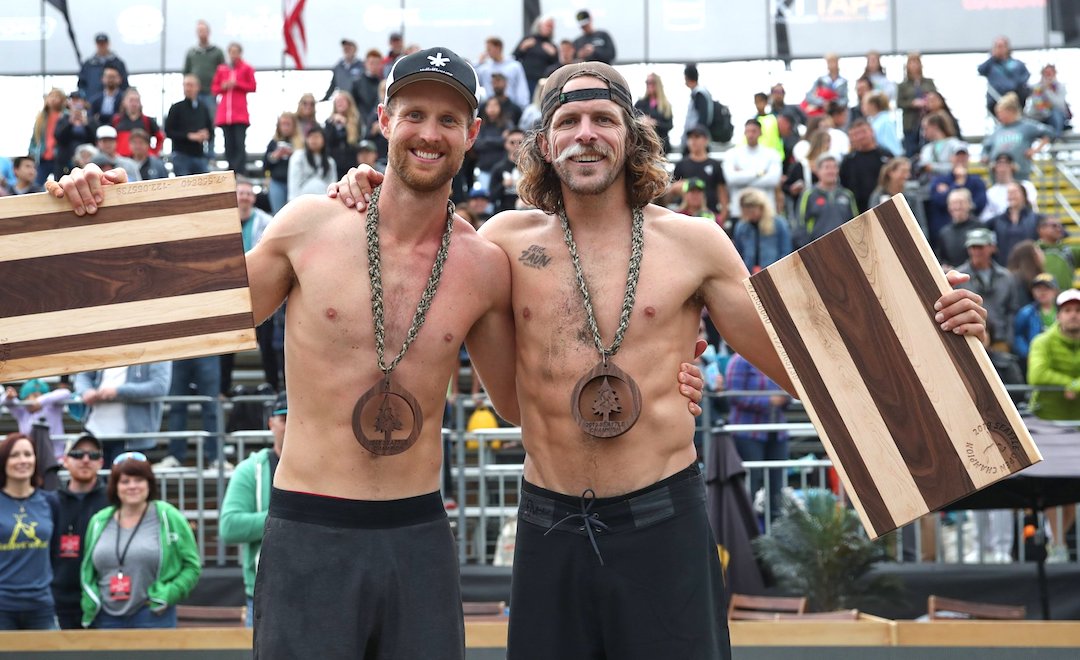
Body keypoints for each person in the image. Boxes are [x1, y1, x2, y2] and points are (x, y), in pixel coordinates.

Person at [80, 452, 200, 628]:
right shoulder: (98, 521)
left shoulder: (169, 516)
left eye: (139, 480)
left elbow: (192, 566)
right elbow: (87, 570)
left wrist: (168, 594)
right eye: (125, 481)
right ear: (115, 486)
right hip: (105, 617)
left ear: (149, 483)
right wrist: (91, 599)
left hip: (153, 615)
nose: (132, 486)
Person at [220, 391, 287, 627]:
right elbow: (229, 527)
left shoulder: (325, 468)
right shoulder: (250, 469)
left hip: (318, 591)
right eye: (284, 418)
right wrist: (287, 519)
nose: (291, 426)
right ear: (271, 423)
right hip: (264, 595)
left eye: (298, 418)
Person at [1026, 288, 1080, 560]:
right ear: (1059, 315)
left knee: (1071, 494)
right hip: (1050, 430)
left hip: (1077, 429)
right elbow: (1036, 374)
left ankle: (1057, 543)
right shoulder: (1042, 341)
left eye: (1078, 310)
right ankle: (1057, 544)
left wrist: (1075, 384)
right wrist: (1066, 383)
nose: (1074, 315)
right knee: (1058, 493)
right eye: (1068, 310)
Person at [0, 433, 58, 630]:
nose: (22, 460)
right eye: (14, 455)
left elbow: (54, 552)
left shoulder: (50, 502)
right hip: (3, 605)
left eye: (28, 454)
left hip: (41, 605)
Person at [50, 433, 108, 629]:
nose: (85, 460)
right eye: (77, 454)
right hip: (58, 601)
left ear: (100, 462)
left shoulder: (113, 502)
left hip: (103, 600)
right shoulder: (50, 502)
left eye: (92, 455)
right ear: (65, 461)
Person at [726, 353, 791, 524]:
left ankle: (776, 533)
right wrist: (769, 401)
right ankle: (746, 534)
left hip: (776, 431)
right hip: (748, 432)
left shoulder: (777, 358)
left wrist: (785, 398)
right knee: (750, 483)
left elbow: (788, 393)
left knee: (777, 485)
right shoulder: (739, 360)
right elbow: (734, 395)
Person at [74, 363, 171, 466]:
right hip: (93, 431)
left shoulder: (154, 349)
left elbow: (159, 386)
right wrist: (85, 391)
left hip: (131, 438)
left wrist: (118, 391)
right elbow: (83, 375)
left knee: (124, 480)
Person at [957, 228, 1020, 353]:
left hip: (1000, 341)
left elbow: (1012, 311)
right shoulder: (959, 277)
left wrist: (1008, 339)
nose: (976, 251)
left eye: (980, 247)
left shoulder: (1006, 277)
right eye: (973, 247)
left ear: (992, 247)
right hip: (970, 339)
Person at [722, 119, 781, 225]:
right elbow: (731, 179)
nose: (750, 135)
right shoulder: (732, 154)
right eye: (748, 131)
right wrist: (759, 173)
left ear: (760, 132)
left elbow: (773, 180)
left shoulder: (772, 154)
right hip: (739, 213)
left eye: (754, 131)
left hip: (766, 212)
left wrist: (742, 177)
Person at [982, 92, 1051, 181]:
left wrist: (1035, 150)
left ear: (1011, 111)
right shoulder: (997, 130)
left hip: (1020, 175)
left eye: (1000, 113)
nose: (999, 117)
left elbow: (1048, 133)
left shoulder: (1026, 126)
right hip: (997, 178)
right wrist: (985, 156)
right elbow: (986, 147)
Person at [927, 144, 987, 243]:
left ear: (968, 158)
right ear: (951, 158)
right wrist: (958, 183)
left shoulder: (977, 181)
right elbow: (939, 201)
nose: (961, 159)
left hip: (971, 233)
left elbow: (979, 204)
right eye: (957, 156)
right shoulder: (940, 180)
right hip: (945, 236)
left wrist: (948, 191)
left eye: (963, 156)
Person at [669, 124, 728, 226]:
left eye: (697, 137)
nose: (693, 141)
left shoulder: (714, 165)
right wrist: (678, 187)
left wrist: (723, 214)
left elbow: (721, 191)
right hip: (685, 216)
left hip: (710, 215)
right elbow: (671, 191)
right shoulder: (681, 164)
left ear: (706, 140)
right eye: (690, 138)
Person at [212, 42, 257, 175]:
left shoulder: (246, 68)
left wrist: (237, 84)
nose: (233, 55)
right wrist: (223, 86)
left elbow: (252, 86)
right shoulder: (222, 69)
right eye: (231, 52)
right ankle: (231, 170)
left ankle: (240, 170)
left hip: (239, 114)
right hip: (225, 114)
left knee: (239, 143)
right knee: (228, 143)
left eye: (236, 52)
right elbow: (214, 88)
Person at [796, 153, 858, 247]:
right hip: (818, 248)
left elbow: (856, 222)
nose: (831, 171)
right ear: (818, 171)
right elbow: (800, 224)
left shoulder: (847, 195)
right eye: (827, 167)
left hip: (845, 246)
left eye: (834, 167)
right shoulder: (809, 195)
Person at [183, 20, 225, 153]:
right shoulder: (191, 53)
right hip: (194, 95)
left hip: (210, 94)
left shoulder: (217, 52)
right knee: (194, 123)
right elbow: (186, 72)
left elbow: (223, 71)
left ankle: (211, 155)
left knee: (210, 123)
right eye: (199, 31)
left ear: (209, 32)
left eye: (204, 30)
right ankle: (197, 152)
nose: (202, 33)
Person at [1, 380, 71, 455]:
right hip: (32, 457)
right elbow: (7, 401)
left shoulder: (52, 408)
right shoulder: (22, 412)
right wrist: (9, 397)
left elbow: (66, 392)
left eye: (36, 396)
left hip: (55, 455)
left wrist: (40, 401)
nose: (31, 400)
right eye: (27, 397)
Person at [732, 187, 792, 273]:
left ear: (762, 207)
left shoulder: (779, 223)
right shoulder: (741, 227)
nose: (749, 213)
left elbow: (786, 252)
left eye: (752, 210)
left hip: (774, 271)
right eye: (746, 210)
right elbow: (738, 254)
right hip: (749, 273)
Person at [839, 118, 893, 213]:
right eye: (856, 134)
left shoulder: (886, 156)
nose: (860, 137)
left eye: (863, 132)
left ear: (871, 131)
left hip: (884, 206)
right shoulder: (848, 160)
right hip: (858, 211)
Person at [165, 75, 214, 176]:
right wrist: (189, 136)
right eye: (186, 85)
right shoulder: (176, 108)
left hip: (199, 155)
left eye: (191, 85)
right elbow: (168, 131)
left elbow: (211, 131)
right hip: (181, 155)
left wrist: (205, 135)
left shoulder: (203, 108)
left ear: (198, 87)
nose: (188, 88)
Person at [869, 156, 926, 237]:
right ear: (891, 172)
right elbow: (873, 222)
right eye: (903, 171)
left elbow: (921, 223)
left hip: (910, 237)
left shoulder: (912, 194)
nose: (907, 176)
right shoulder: (878, 195)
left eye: (908, 171)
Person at [989, 181, 1042, 266]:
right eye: (1009, 193)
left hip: (1029, 265)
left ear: (1024, 195)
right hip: (1004, 266)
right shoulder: (998, 220)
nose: (1011, 195)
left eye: (1014, 192)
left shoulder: (1036, 218)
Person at [977, 36, 1031, 116]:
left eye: (1001, 46)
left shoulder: (1017, 64)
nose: (1000, 49)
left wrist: (1014, 86)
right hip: (996, 99)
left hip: (1015, 98)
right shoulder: (990, 65)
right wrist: (993, 57)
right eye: (997, 46)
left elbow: (1025, 76)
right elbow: (980, 70)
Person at [1014, 273, 1058, 370]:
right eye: (1038, 289)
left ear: (1055, 291)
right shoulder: (1026, 312)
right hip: (1033, 358)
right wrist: (1028, 353)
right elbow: (1018, 335)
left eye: (1046, 289)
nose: (1042, 292)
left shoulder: (1061, 311)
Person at [897, 52, 936, 157]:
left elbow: (936, 97)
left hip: (927, 120)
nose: (914, 65)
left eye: (916, 62)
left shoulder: (929, 82)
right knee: (911, 151)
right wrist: (912, 103)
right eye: (911, 62)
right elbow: (899, 103)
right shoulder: (903, 86)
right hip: (910, 123)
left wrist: (927, 102)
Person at [476, 37, 531, 110]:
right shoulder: (485, 69)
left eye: (489, 49)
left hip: (510, 109)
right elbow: (474, 80)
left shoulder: (514, 67)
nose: (487, 53)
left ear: (498, 48)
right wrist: (478, 63)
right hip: (491, 110)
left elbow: (521, 87)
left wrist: (522, 107)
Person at [263, 112, 303, 214]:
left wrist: (294, 154)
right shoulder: (273, 143)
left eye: (288, 124)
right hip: (277, 182)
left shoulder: (301, 144)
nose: (285, 128)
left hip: (296, 183)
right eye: (282, 124)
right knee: (278, 214)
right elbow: (265, 166)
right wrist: (275, 156)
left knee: (296, 213)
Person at [981, 152, 1038, 222]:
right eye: (999, 164)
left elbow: (1031, 207)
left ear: (1012, 166)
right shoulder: (990, 192)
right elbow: (987, 216)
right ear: (994, 168)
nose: (1002, 168)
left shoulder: (1026, 185)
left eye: (1006, 164)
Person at [935, 188, 984, 270]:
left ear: (969, 205)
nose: (957, 207)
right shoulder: (944, 232)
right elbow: (941, 258)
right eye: (953, 203)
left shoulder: (979, 227)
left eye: (961, 203)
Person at [286, 125, 336, 201]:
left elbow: (332, 184)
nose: (313, 140)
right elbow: (294, 183)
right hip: (302, 201)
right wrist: (293, 202)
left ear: (324, 140)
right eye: (311, 137)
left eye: (317, 137)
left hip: (323, 201)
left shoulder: (330, 162)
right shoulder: (298, 157)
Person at [111, 88, 164, 158]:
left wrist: (154, 153)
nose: (134, 104)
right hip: (121, 158)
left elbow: (160, 137)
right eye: (131, 100)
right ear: (124, 102)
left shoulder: (147, 120)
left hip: (142, 159)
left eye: (137, 101)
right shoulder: (116, 120)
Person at [513, 15, 558, 97]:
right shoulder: (528, 40)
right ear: (539, 26)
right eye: (547, 26)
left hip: (543, 81)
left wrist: (554, 55)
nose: (549, 29)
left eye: (551, 27)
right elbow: (514, 57)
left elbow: (558, 64)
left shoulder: (552, 46)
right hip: (526, 80)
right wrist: (522, 48)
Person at [29, 88, 67, 184]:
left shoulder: (66, 116)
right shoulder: (41, 117)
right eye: (51, 96)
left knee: (61, 183)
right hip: (43, 157)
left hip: (59, 157)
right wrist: (32, 153)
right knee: (37, 184)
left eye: (57, 97)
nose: (53, 99)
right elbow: (34, 139)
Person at [324, 90, 362, 180]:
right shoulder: (329, 123)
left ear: (349, 103)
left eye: (342, 100)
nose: (339, 103)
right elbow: (327, 142)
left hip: (351, 164)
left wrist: (345, 125)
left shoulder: (356, 121)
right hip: (334, 165)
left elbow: (356, 142)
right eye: (337, 101)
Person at [1035, 215, 1080, 291]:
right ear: (1041, 229)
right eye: (1054, 226)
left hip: (1065, 300)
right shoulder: (1032, 251)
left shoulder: (1070, 251)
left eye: (1061, 226)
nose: (1059, 229)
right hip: (1041, 300)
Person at [78, 33, 128, 101]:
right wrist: (84, 98)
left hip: (116, 103)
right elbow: (81, 84)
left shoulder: (119, 63)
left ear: (108, 44)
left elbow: (125, 84)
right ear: (96, 44)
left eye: (104, 43)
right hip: (92, 102)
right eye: (99, 43)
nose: (102, 46)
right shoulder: (88, 64)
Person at [1026, 64, 1070, 139]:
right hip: (1039, 116)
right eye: (1046, 73)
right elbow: (1037, 105)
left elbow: (1059, 105)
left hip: (1055, 117)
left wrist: (1047, 90)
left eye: (1050, 73)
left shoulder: (1060, 87)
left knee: (1056, 112)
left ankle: (1056, 137)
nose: (1048, 76)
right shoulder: (1036, 87)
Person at [634, 72, 674, 154]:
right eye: (647, 82)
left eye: (651, 82)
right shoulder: (640, 103)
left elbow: (669, 125)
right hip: (643, 146)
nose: (648, 85)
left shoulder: (665, 105)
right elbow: (631, 120)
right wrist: (642, 121)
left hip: (662, 147)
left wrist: (654, 123)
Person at [350, 49, 384, 131]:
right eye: (371, 63)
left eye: (377, 63)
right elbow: (353, 104)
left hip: (378, 123)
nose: (374, 66)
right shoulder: (357, 83)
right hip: (361, 123)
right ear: (366, 64)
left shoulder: (383, 84)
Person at [862, 90, 902, 157]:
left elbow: (891, 146)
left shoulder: (885, 122)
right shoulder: (874, 121)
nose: (863, 108)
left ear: (873, 105)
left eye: (864, 104)